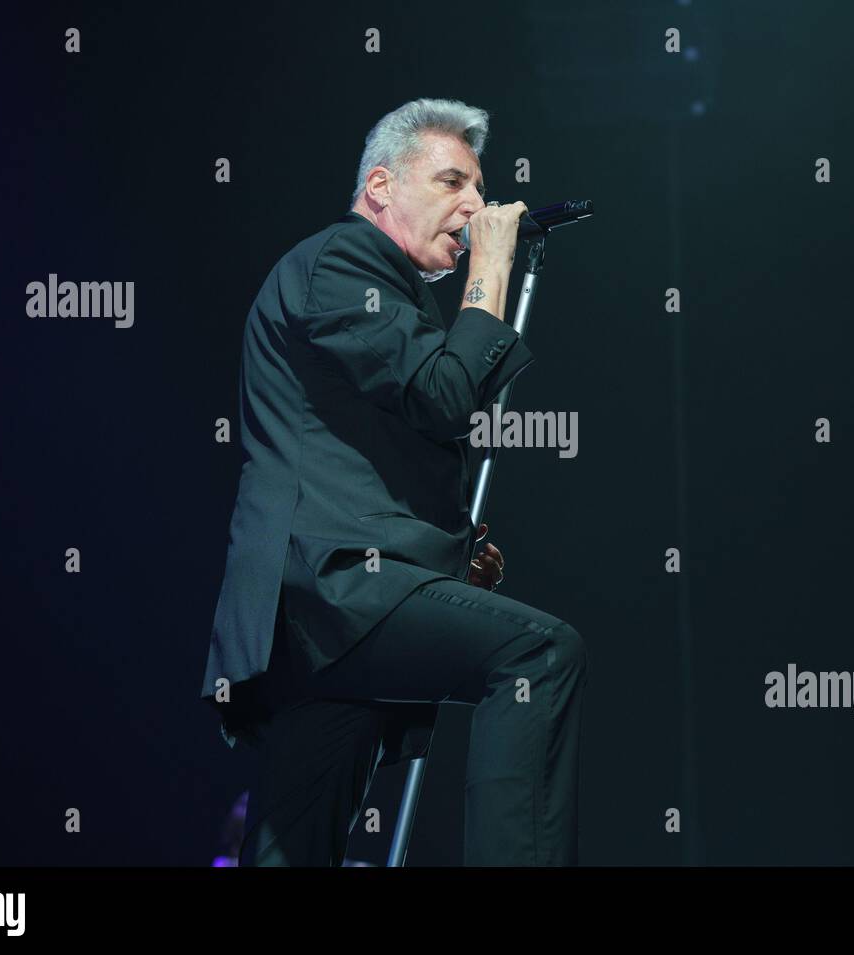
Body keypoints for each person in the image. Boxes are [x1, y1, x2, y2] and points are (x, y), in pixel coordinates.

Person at [199, 98, 589, 866]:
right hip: (334, 594)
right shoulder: (344, 261)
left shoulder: (380, 289)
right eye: (453, 183)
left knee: (293, 843)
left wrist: (448, 555)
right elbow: (445, 393)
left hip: (323, 626)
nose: (475, 206)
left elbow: (363, 451)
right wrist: (492, 268)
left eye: (480, 191)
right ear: (381, 186)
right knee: (540, 654)